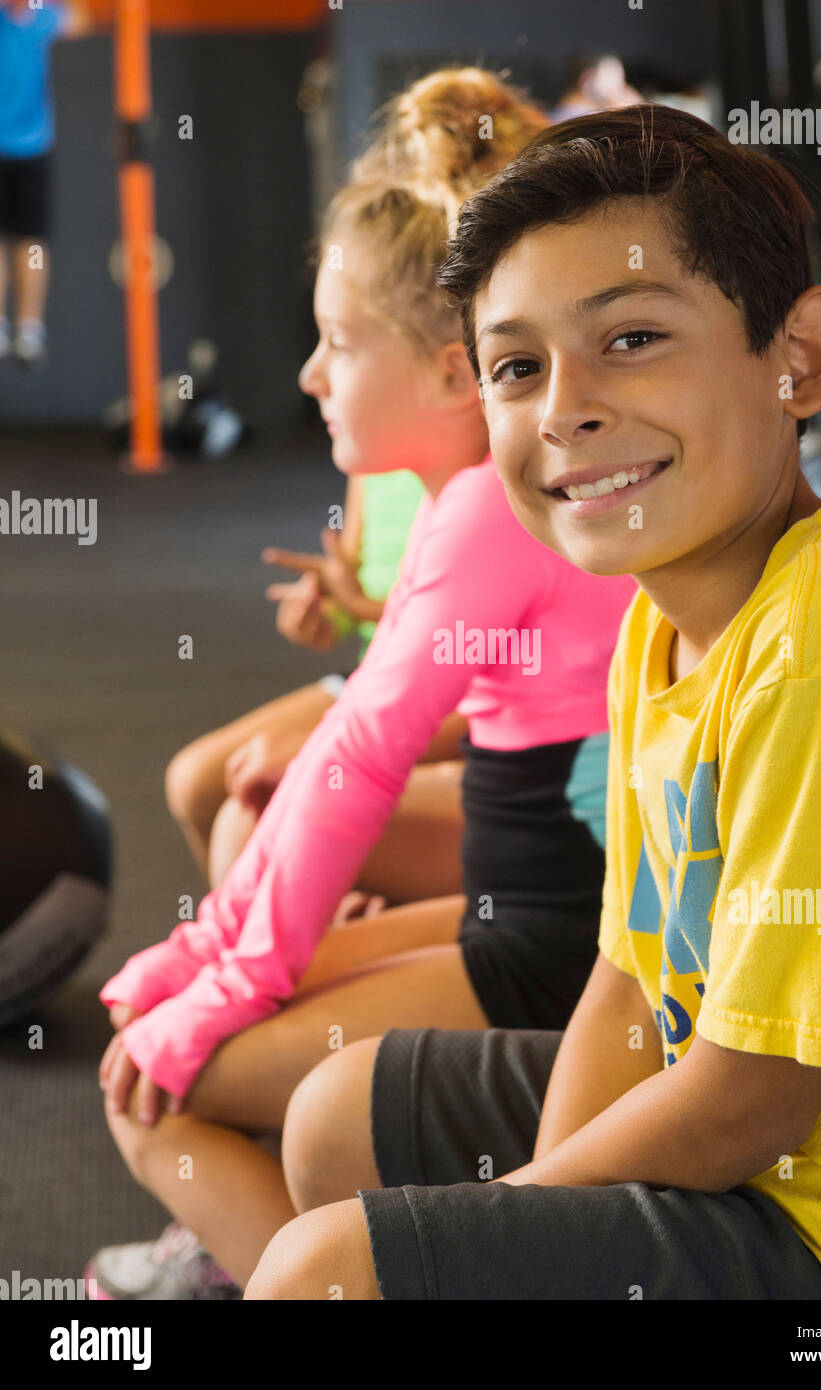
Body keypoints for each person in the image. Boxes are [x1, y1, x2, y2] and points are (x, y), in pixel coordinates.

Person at [245, 104, 821, 1302]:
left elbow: (752, 1096)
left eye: (632, 337)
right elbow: (630, 980)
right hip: (752, 1159)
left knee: (327, 1268)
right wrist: (505, 1239)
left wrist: (504, 1221)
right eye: (517, 367)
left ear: (801, 357)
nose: (563, 408)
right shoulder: (657, 619)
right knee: (335, 1115)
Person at [89, 68, 635, 1299]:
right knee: (225, 880)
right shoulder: (487, 500)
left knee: (152, 1084)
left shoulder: (491, 511)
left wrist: (230, 975)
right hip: (545, 907)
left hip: (556, 940)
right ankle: (290, 1244)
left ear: (455, 368)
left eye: (336, 345)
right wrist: (217, 953)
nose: (308, 377)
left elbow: (364, 758)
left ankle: (284, 1269)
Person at [164, 465, 469, 903]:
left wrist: (360, 606)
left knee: (253, 817)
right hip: (380, 674)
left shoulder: (482, 468)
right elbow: (349, 578)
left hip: (460, 694)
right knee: (196, 782)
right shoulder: (372, 458)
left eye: (332, 387)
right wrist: (326, 616)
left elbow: (474, 630)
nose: (315, 390)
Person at [0, 0, 91, 367]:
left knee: (31, 240)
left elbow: (80, 19)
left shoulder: (42, 18)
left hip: (32, 148)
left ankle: (29, 328)